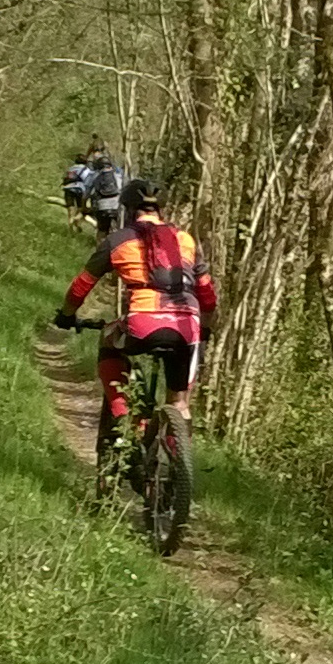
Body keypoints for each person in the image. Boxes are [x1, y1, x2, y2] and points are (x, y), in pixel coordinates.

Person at [53, 176, 217, 482]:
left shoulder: (118, 241)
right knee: (180, 402)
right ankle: (175, 468)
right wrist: (204, 330)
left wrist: (66, 315)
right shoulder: (186, 240)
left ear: (128, 210)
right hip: (187, 325)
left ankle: (124, 414)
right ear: (161, 210)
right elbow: (207, 293)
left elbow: (81, 285)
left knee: (108, 341)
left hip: (142, 322)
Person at [85, 153, 126, 235]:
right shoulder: (118, 175)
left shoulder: (94, 176)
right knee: (120, 229)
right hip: (117, 206)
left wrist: (83, 205)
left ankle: (101, 244)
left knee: (102, 231)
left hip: (102, 206)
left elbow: (87, 192)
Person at [62, 158, 92, 226]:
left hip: (68, 189)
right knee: (80, 208)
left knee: (70, 208)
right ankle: (76, 223)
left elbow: (65, 178)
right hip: (79, 189)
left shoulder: (70, 168)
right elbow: (87, 180)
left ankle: (70, 224)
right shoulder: (85, 169)